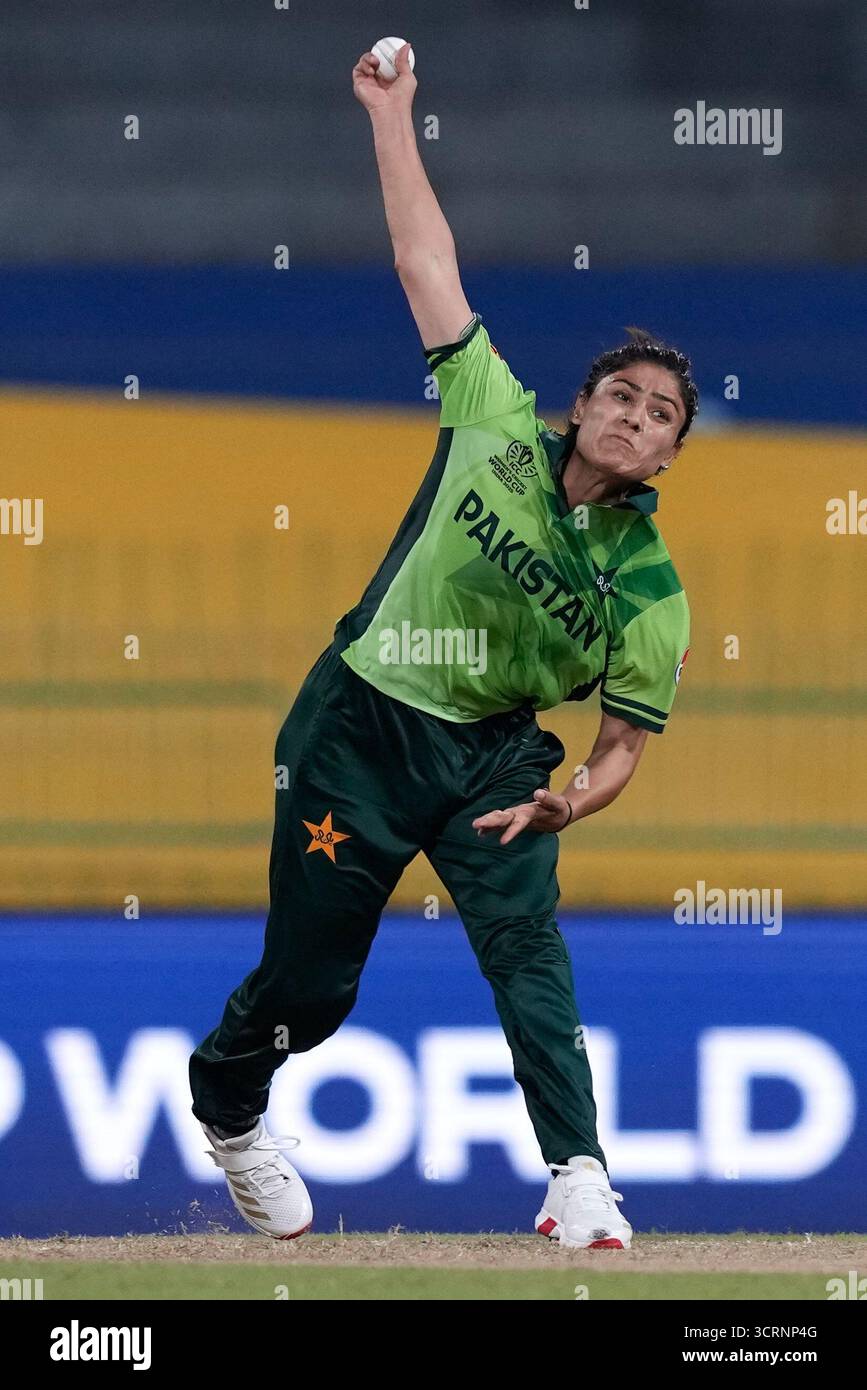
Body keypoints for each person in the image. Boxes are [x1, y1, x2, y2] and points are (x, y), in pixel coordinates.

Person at [188, 43, 697, 1251]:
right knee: (312, 987)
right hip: (359, 719)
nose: (636, 414)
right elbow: (426, 257)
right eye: (622, 394)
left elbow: (626, 740)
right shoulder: (490, 415)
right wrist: (393, 111)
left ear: (671, 459)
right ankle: (229, 1101)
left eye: (663, 412)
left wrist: (570, 802)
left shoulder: (656, 593)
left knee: (528, 953)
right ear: (586, 407)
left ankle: (579, 1175)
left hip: (496, 763)